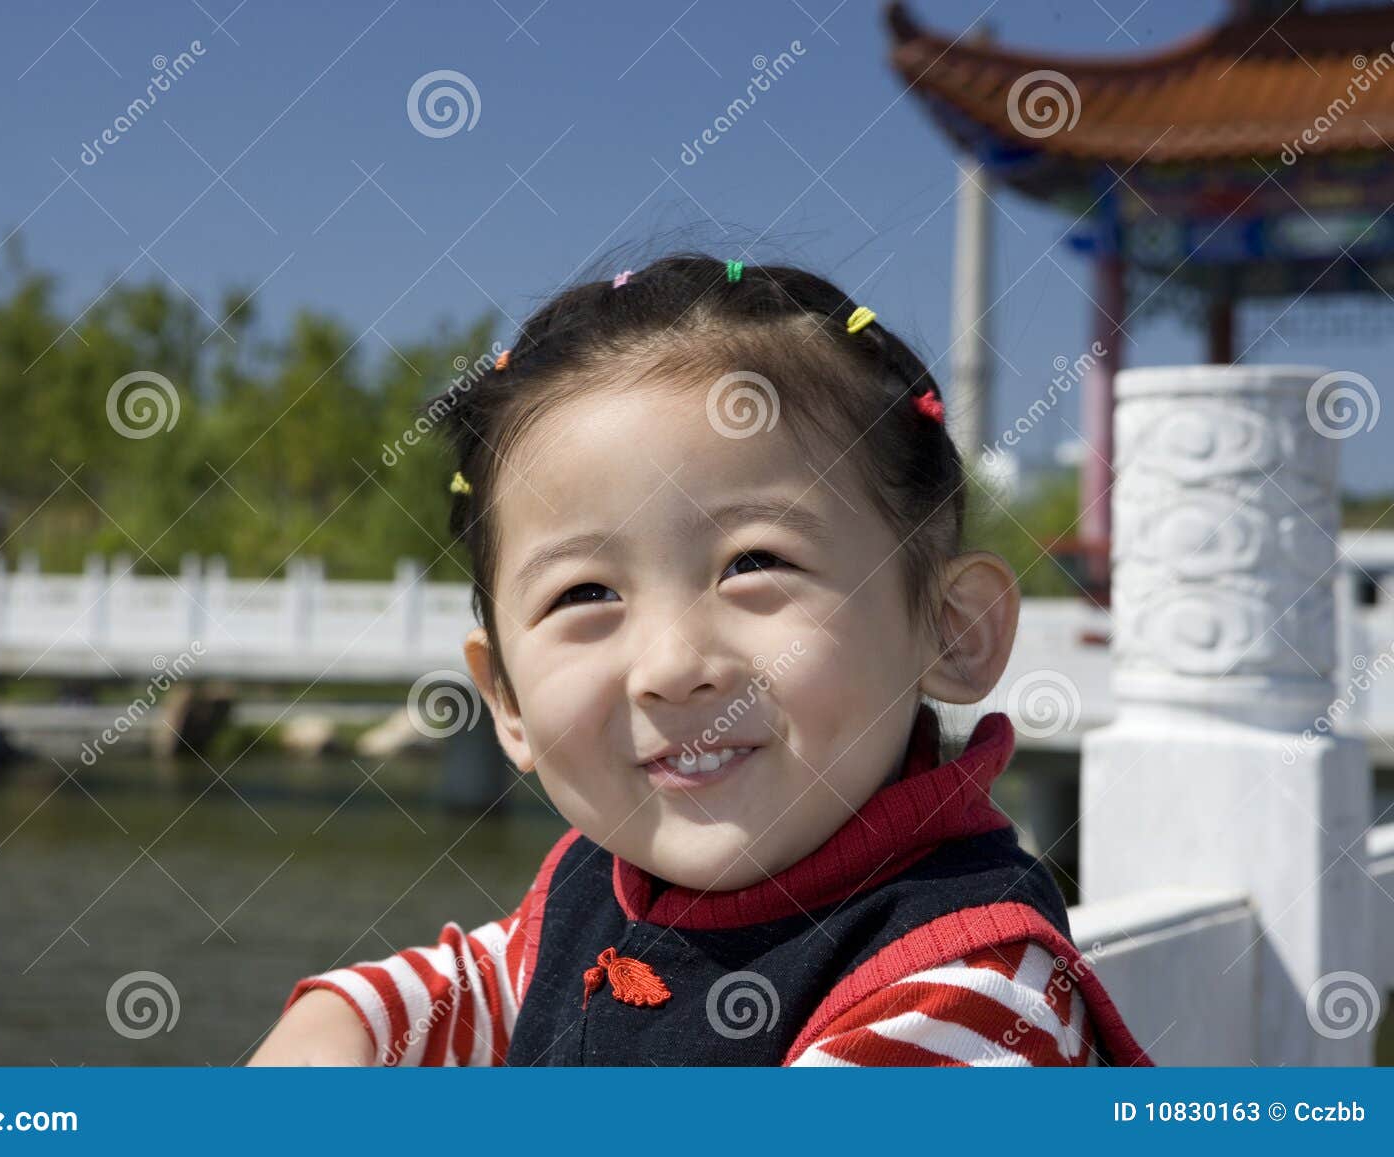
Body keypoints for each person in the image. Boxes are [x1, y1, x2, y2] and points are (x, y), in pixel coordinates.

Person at [249, 253, 1153, 1067]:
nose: (674, 666)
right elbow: (464, 992)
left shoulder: (968, 1000)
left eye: (754, 564)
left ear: (951, 629)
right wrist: (335, 1026)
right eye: (584, 594)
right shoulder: (591, 890)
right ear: (509, 704)